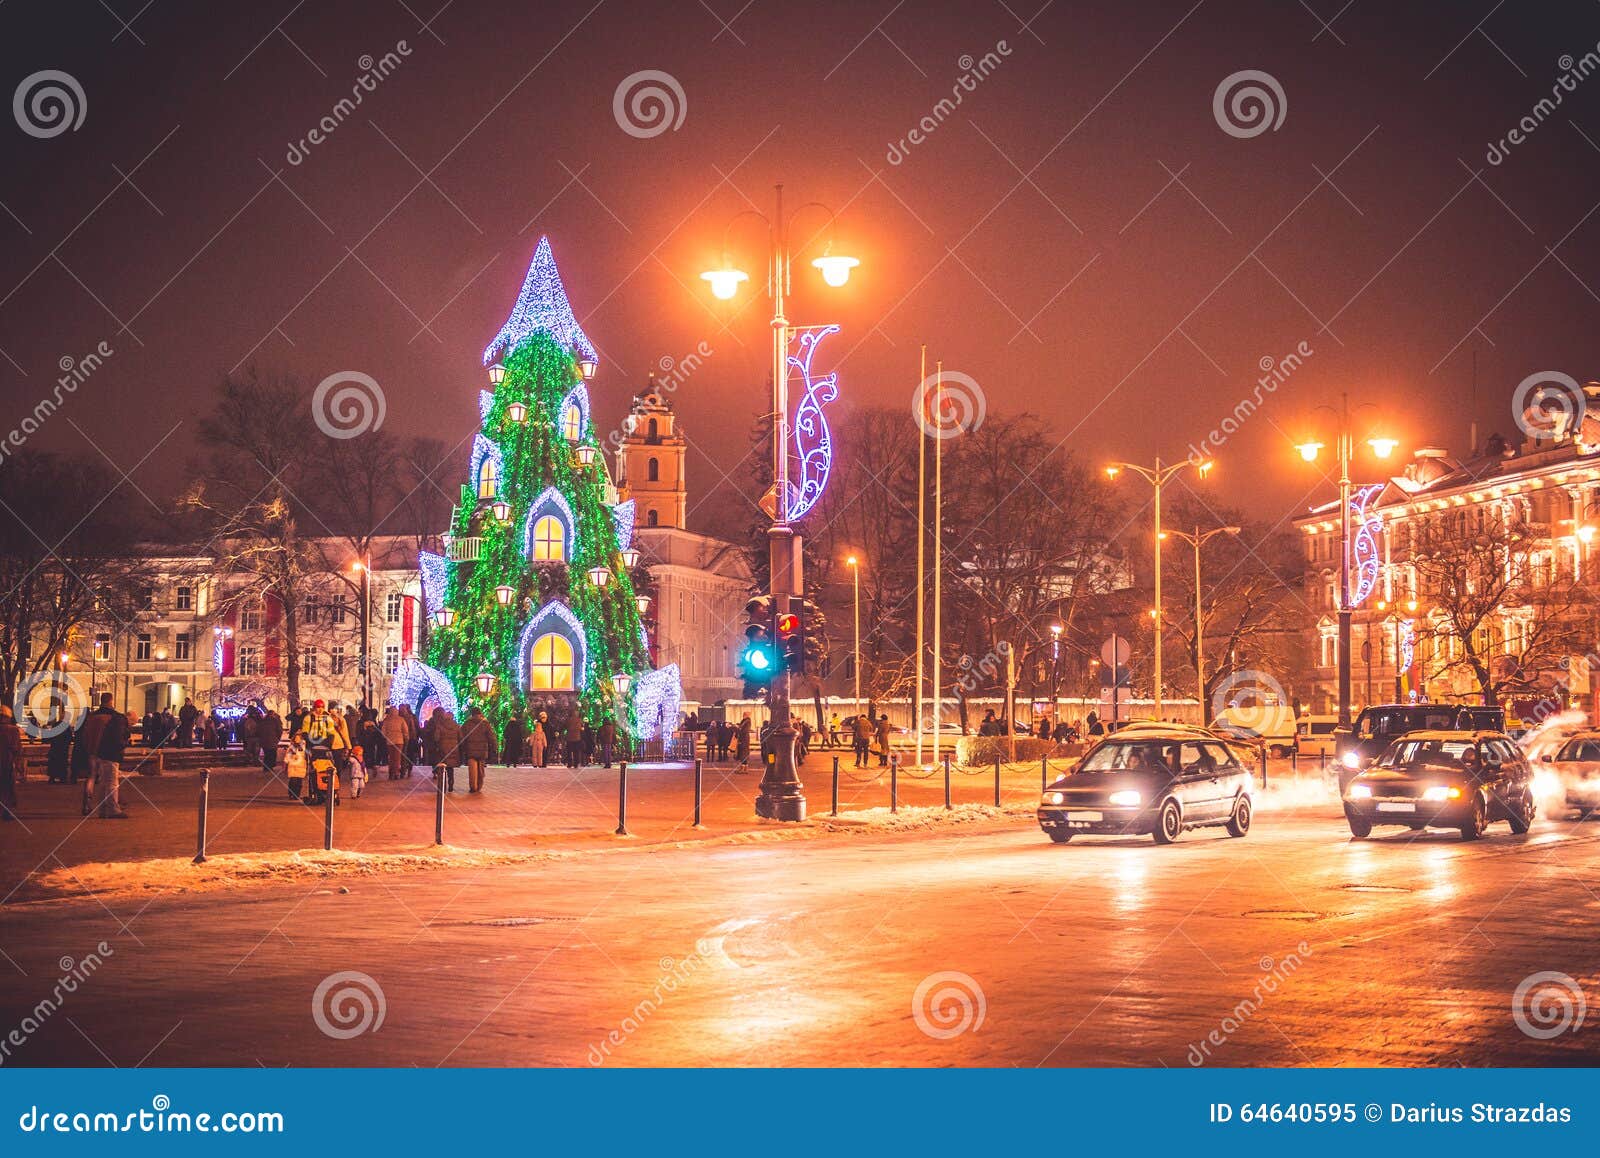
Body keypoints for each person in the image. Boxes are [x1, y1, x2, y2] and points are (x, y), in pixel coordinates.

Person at [85, 694, 130, 819]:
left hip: (94, 751)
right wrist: (123, 744)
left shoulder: (92, 717)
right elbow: (118, 738)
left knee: (100, 781)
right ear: (111, 701)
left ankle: (101, 808)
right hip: (109, 753)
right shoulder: (115, 718)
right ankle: (112, 809)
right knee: (111, 781)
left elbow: (85, 734)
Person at [458, 706, 497, 794]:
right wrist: (494, 746)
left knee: (472, 769)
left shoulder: (467, 724)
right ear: (480, 714)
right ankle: (479, 785)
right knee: (480, 769)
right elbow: (491, 736)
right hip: (482, 750)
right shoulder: (485, 724)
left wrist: (463, 747)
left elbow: (461, 737)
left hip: (470, 749)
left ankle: (473, 786)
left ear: (472, 714)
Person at [425, 708, 461, 792]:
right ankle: (451, 783)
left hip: (442, 749)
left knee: (442, 767)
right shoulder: (456, 726)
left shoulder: (440, 725)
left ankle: (443, 786)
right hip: (453, 749)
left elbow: (436, 738)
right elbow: (460, 737)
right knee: (450, 768)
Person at [0, 705, 23, 822]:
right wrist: (19, 765)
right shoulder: (12, 730)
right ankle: (6, 811)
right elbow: (17, 749)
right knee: (7, 787)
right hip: (6, 762)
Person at [380, 706, 409, 779]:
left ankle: (391, 772)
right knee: (397, 758)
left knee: (391, 757)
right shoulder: (401, 719)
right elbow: (405, 730)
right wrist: (405, 737)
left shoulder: (387, 720)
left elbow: (383, 731)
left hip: (390, 741)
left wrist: (387, 737)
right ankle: (395, 773)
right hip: (399, 741)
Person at [258, 706, 283, 776]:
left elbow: (259, 730)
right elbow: (279, 730)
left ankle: (266, 766)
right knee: (272, 753)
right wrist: (278, 738)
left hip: (264, 740)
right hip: (273, 740)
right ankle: (270, 766)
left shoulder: (263, 721)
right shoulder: (275, 721)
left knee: (267, 753)